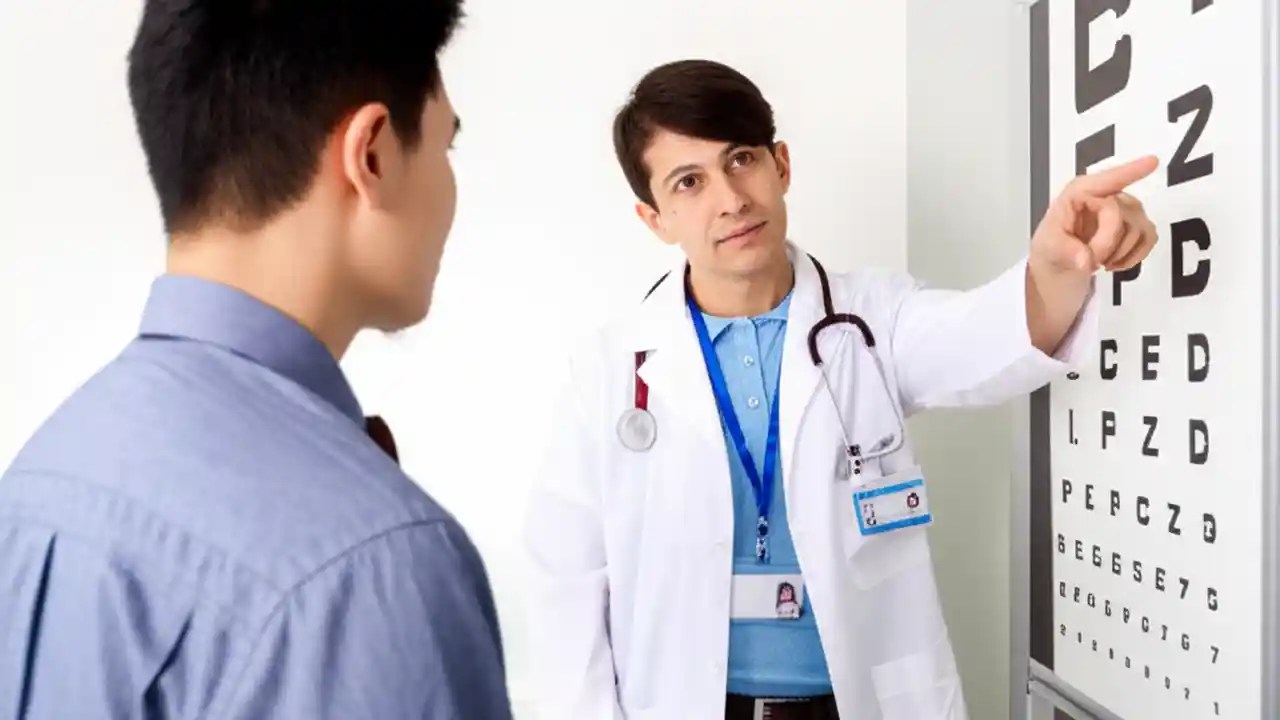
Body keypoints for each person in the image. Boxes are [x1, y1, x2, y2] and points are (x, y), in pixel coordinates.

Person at [523, 59, 1158, 719]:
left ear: (782, 166)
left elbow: (987, 336)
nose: (730, 199)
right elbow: (566, 582)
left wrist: (1058, 265)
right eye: (689, 182)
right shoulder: (608, 370)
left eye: (741, 160)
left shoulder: (870, 321)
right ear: (654, 218)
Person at [0, 2, 513, 718]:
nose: (450, 183)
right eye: (443, 145)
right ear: (371, 155)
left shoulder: (40, 482)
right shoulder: (376, 566)